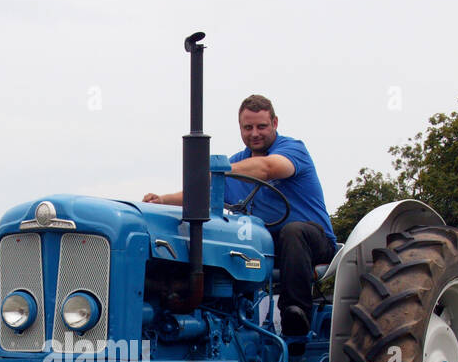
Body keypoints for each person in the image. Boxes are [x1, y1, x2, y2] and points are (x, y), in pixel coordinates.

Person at [143, 94, 336, 337]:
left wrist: (220, 170)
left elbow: (269, 168)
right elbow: (202, 191)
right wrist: (162, 200)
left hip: (312, 242)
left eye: (261, 126)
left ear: (275, 123)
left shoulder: (292, 149)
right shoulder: (237, 162)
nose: (255, 133)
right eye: (248, 127)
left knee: (293, 231)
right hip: (266, 247)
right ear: (240, 128)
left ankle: (295, 317)